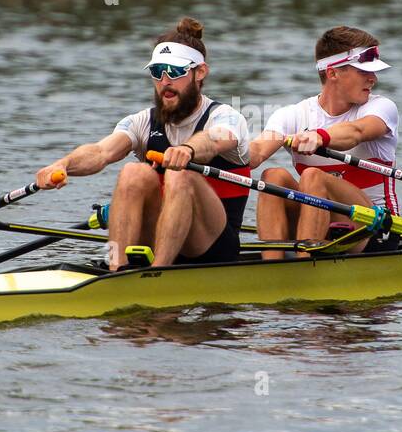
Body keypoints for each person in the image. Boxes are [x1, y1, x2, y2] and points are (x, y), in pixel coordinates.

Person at [35, 18, 252, 269]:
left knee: (180, 174)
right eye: (157, 71)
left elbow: (216, 139)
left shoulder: (225, 116)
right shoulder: (142, 121)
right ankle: (118, 267)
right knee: (133, 171)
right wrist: (61, 165)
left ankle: (157, 273)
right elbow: (100, 152)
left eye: (175, 71)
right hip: (161, 234)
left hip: (213, 245)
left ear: (200, 72)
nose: (165, 81)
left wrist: (187, 150)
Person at [249, 26, 399, 259]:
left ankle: (305, 263)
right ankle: (271, 267)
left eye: (373, 72)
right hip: (322, 221)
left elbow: (356, 131)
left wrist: (320, 136)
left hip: (375, 231)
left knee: (312, 176)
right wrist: (210, 148)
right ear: (332, 73)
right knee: (272, 176)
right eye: (363, 71)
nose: (373, 78)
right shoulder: (293, 114)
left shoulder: (381, 108)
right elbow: (256, 152)